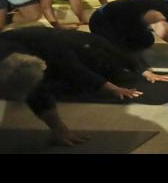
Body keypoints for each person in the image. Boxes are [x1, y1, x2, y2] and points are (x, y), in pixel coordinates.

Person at [0, 29, 152, 146]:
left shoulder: (54, 54)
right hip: (23, 46)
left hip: (57, 45)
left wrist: (59, 129)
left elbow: (76, 73)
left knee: (57, 85)